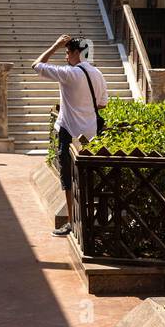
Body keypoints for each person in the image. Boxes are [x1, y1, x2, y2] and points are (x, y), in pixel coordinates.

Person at [32, 34, 108, 237]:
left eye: (67, 52)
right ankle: (91, 220)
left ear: (76, 53)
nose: (66, 56)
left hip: (69, 132)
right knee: (89, 177)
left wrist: (55, 44)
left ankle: (72, 222)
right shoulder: (97, 74)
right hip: (91, 134)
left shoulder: (69, 74)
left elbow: (37, 65)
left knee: (68, 178)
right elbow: (102, 103)